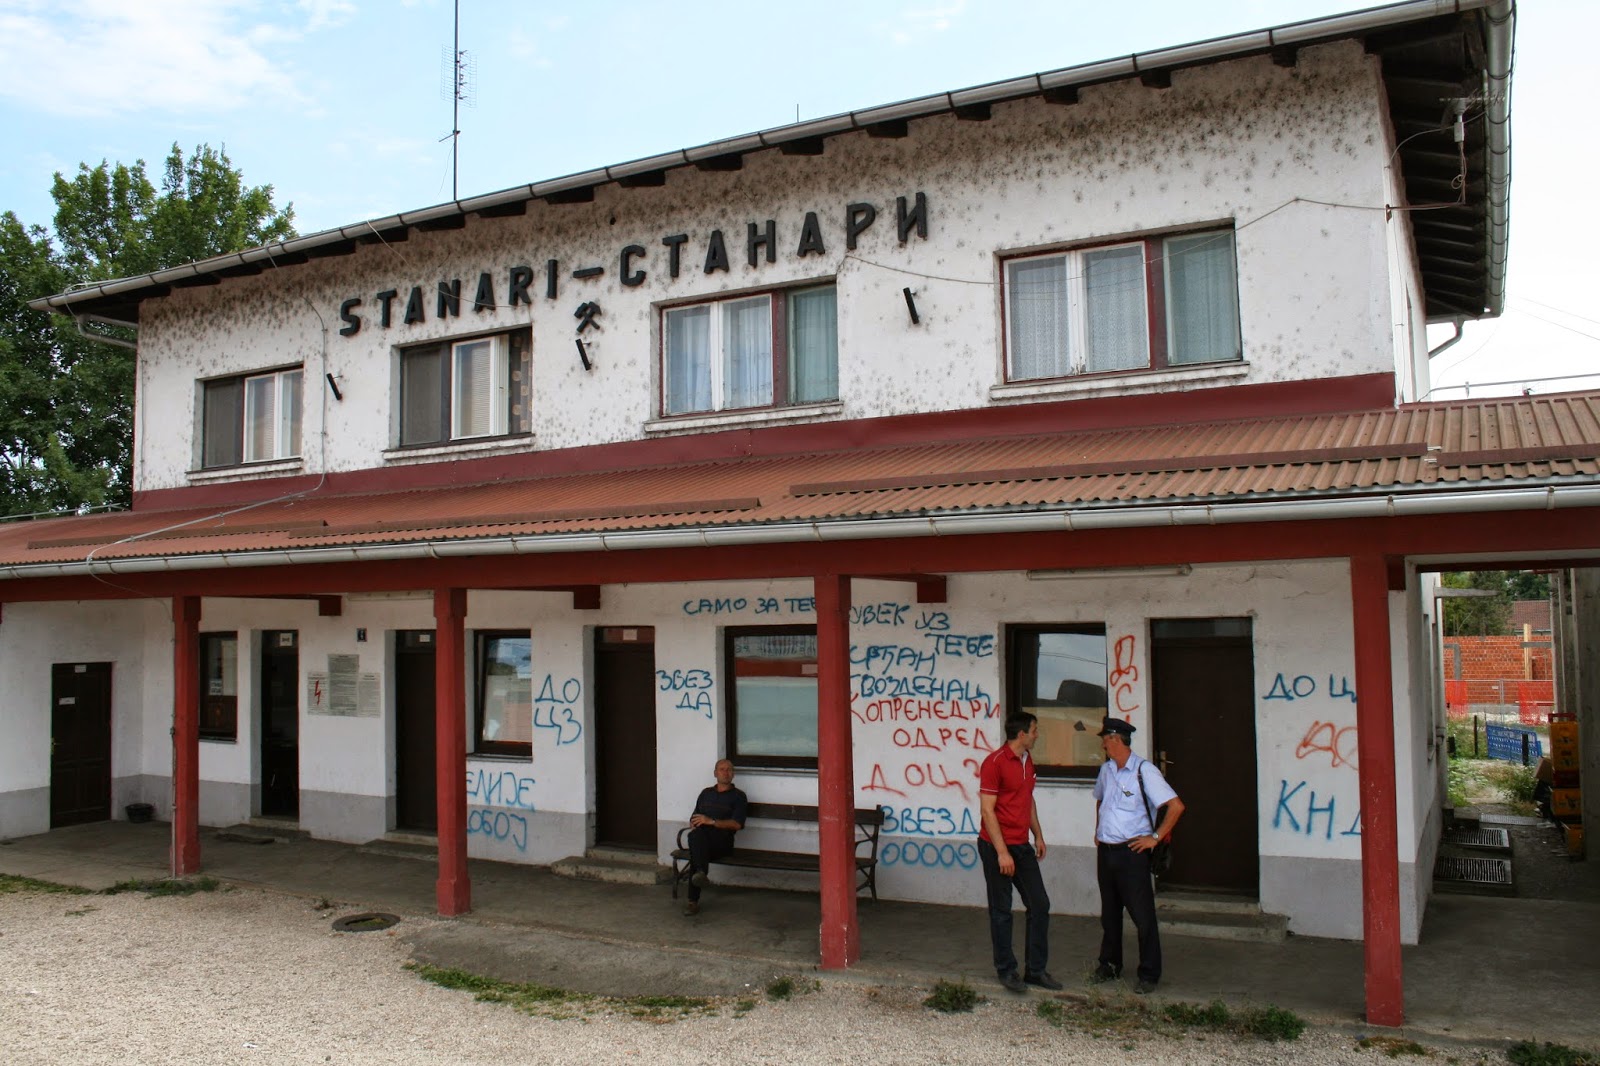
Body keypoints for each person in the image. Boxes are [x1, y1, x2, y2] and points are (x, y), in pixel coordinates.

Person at [1091, 716, 1185, 995]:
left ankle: (1149, 972)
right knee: (1109, 914)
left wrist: (1154, 838)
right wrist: (1098, 829)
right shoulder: (1106, 770)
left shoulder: (1145, 771)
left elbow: (1176, 806)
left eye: (1105, 740)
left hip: (1132, 853)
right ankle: (1109, 964)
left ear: (1116, 740)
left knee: (1142, 915)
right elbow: (1100, 798)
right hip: (1106, 852)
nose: (1104, 745)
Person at [977, 711, 1059, 993]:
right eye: (1035, 730)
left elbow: (1028, 798)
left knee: (1040, 904)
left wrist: (1038, 834)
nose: (1037, 735)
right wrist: (1002, 853)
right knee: (1002, 911)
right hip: (996, 846)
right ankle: (1006, 970)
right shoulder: (994, 763)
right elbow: (987, 811)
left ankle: (1035, 971)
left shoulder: (1028, 761)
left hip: (1021, 845)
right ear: (1022, 734)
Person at [682, 758, 747, 917]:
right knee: (697, 838)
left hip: (722, 841)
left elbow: (737, 824)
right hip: (702, 839)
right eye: (722, 769)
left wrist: (710, 821)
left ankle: (693, 901)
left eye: (729, 770)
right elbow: (694, 818)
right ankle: (700, 874)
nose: (726, 772)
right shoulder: (706, 793)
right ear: (715, 773)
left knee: (696, 851)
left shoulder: (738, 796)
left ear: (733, 774)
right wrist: (696, 823)